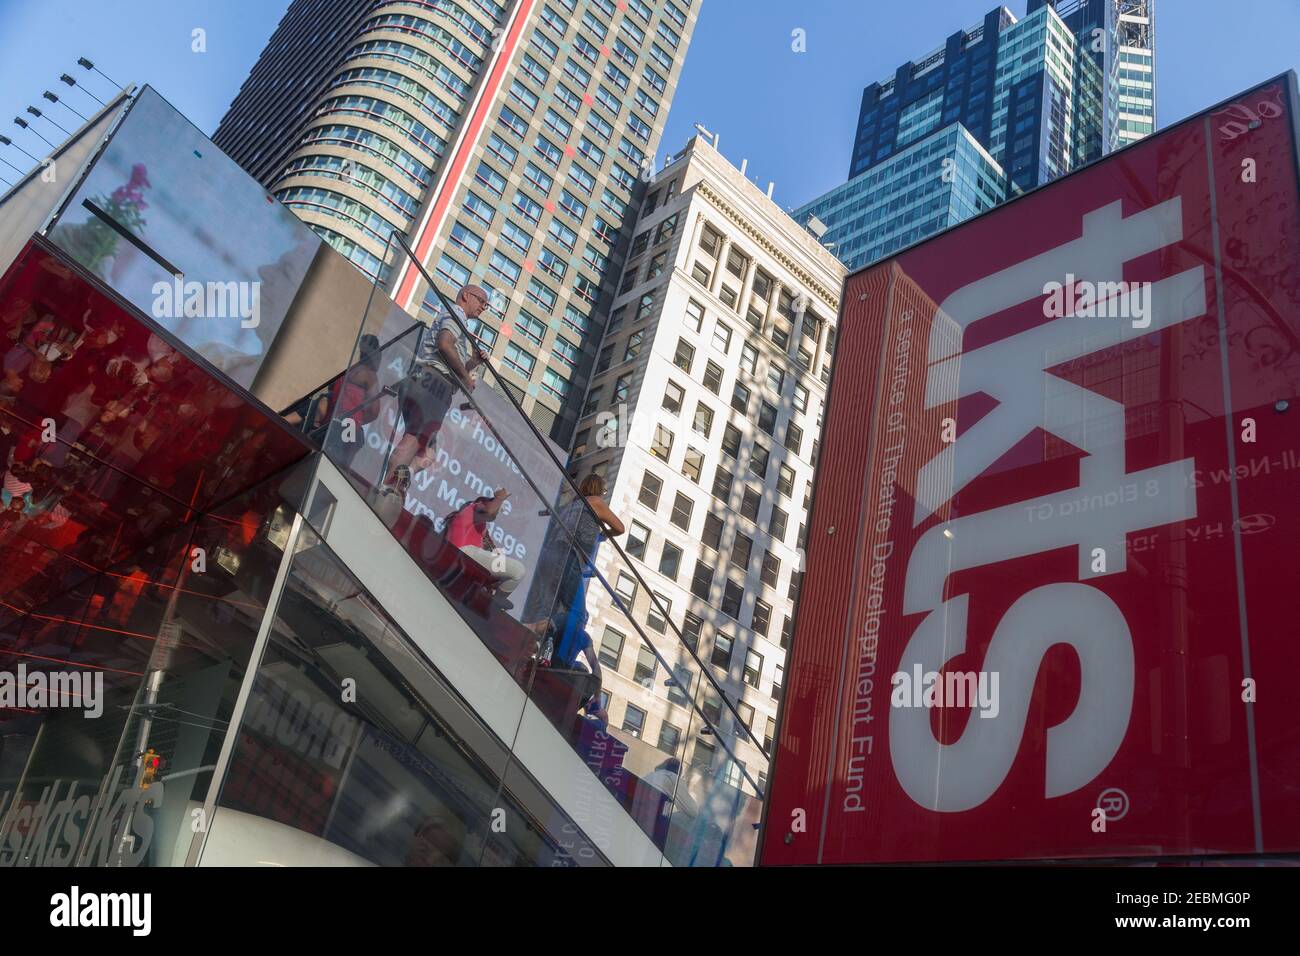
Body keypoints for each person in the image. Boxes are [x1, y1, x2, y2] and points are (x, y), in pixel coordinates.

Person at [383, 286, 490, 495]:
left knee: (429, 451)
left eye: (486, 305)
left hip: (428, 381)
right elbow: (444, 344)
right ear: (466, 296)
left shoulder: (455, 318)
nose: (484, 307)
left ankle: (402, 478)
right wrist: (467, 377)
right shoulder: (456, 314)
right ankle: (388, 487)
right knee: (414, 437)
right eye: (482, 301)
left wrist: (471, 364)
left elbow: (447, 359)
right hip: (433, 383)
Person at [523, 473, 624, 655]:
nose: (604, 493)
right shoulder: (595, 502)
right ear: (598, 489)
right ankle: (550, 646)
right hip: (568, 556)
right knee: (579, 614)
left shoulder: (571, 505)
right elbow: (620, 528)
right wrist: (604, 534)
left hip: (549, 555)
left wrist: (597, 536)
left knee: (547, 606)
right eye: (604, 490)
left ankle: (535, 645)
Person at [444, 487, 525, 608]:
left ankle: (490, 600)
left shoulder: (479, 527)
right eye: (497, 508)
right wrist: (499, 499)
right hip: (464, 552)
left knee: (505, 570)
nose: (497, 512)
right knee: (518, 570)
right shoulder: (473, 507)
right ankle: (494, 604)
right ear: (482, 503)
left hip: (465, 558)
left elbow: (493, 550)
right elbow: (489, 513)